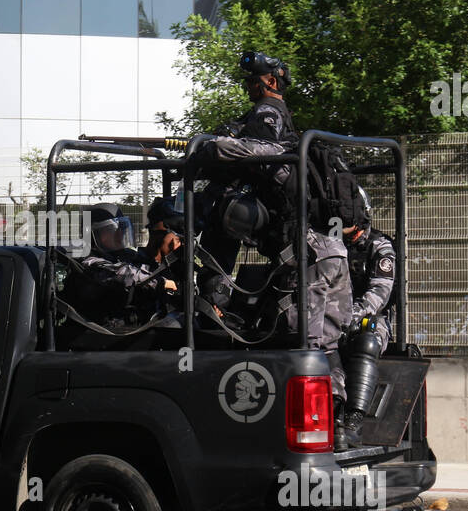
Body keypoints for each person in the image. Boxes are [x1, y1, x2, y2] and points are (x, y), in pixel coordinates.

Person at [195, 51, 353, 405]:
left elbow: (265, 147)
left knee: (306, 343)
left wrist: (219, 146)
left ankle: (326, 417)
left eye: (253, 80)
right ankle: (342, 414)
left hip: (308, 256)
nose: (249, 86)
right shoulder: (285, 121)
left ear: (271, 81)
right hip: (328, 252)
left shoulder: (268, 111)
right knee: (326, 345)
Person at [336, 190, 397, 445]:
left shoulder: (379, 246)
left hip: (368, 319)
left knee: (366, 341)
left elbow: (379, 293)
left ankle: (353, 420)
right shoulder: (328, 243)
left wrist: (350, 316)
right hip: (329, 317)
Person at [60, 202, 176, 329]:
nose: (119, 234)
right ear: (94, 235)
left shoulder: (123, 254)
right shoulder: (89, 260)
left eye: (121, 229)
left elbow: (148, 265)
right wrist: (161, 283)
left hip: (133, 326)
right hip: (99, 334)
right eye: (111, 230)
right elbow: (123, 273)